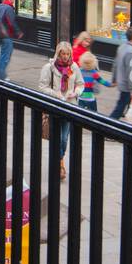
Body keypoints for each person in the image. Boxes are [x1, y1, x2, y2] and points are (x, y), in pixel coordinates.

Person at [39, 41, 80, 179]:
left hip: (69, 106)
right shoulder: (49, 68)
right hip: (54, 107)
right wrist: (55, 94)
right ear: (58, 53)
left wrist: (76, 92)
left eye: (68, 54)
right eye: (63, 53)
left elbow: (80, 84)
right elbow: (42, 87)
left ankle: (59, 159)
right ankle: (60, 164)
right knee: (57, 138)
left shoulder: (74, 67)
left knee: (64, 139)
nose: (65, 57)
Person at [109, 24, 132, 121]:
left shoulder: (122, 47)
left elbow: (115, 63)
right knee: (120, 109)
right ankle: (108, 126)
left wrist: (114, 78)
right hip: (127, 86)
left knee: (123, 107)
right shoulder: (131, 52)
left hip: (123, 83)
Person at [0, 0, 20, 80]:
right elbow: (11, 22)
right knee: (6, 54)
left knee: (3, 54)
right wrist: (18, 32)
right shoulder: (9, 8)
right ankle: (0, 75)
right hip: (6, 35)